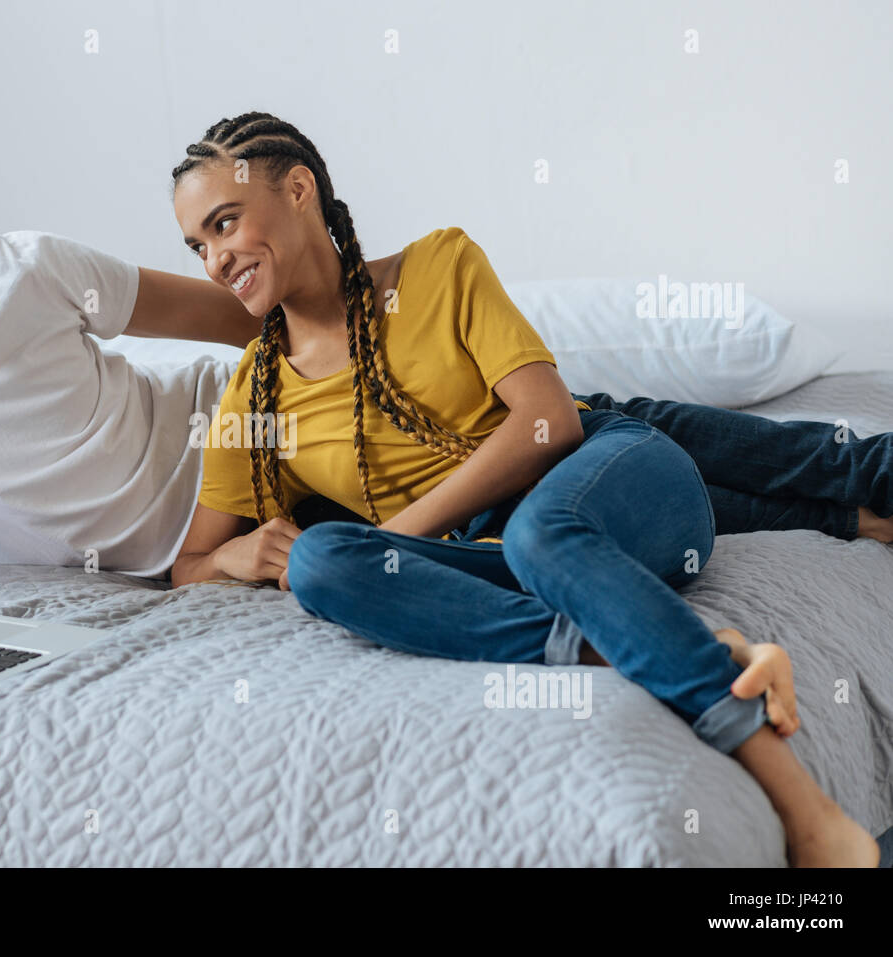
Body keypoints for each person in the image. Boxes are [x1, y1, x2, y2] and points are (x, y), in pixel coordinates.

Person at [167, 111, 878, 866]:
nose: (214, 258)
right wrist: (236, 558)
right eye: (197, 245)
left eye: (224, 223)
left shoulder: (437, 265)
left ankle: (810, 810)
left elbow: (548, 421)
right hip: (496, 555)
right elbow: (189, 566)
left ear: (299, 189)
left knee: (555, 528)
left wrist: (401, 536)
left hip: (610, 467)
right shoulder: (255, 391)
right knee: (318, 565)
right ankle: (645, 640)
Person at [0, 170, 893, 627]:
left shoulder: (29, 269)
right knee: (529, 486)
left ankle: (858, 478)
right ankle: (852, 510)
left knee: (561, 420)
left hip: (255, 430)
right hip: (237, 535)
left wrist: (390, 337)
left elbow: (245, 319)